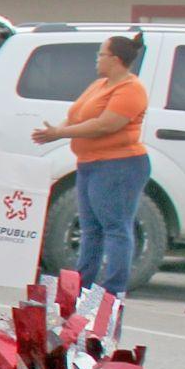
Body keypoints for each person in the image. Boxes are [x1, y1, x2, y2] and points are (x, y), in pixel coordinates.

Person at [30, 34, 148, 297]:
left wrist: (61, 134)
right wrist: (58, 129)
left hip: (119, 164)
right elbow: (77, 115)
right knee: (90, 228)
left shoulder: (131, 89)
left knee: (115, 226)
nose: (97, 59)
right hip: (90, 163)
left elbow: (106, 124)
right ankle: (82, 285)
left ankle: (112, 290)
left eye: (101, 54)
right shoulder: (99, 85)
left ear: (115, 59)